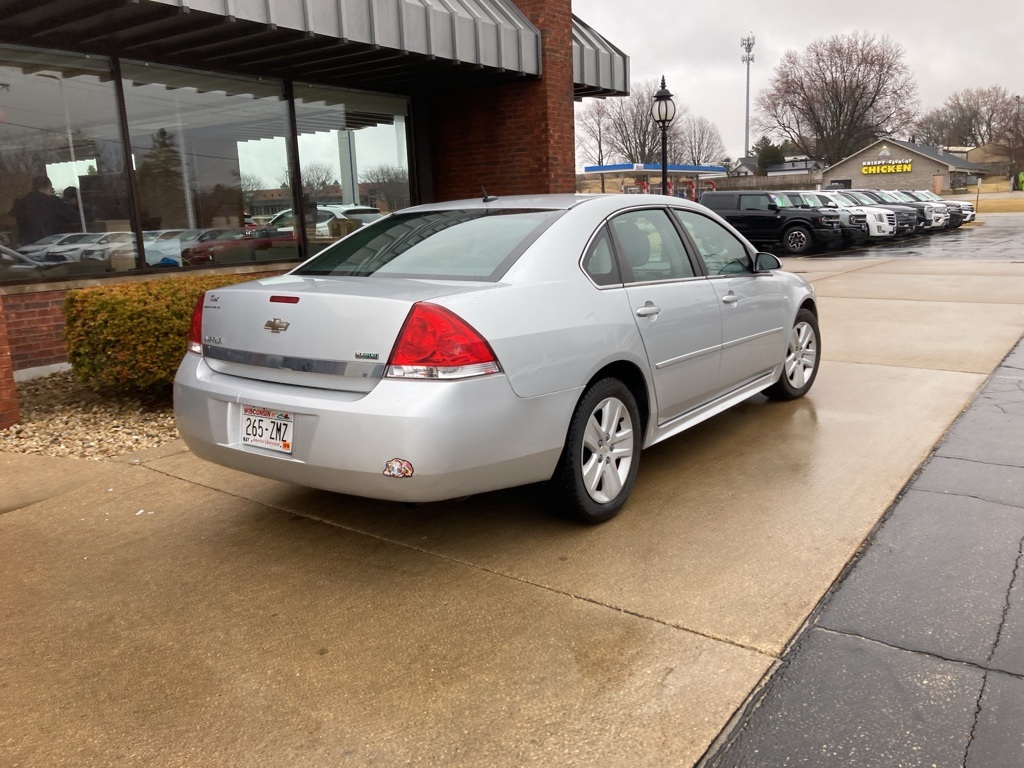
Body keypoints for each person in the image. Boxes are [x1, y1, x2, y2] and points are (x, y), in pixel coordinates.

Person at [10, 175, 81, 245]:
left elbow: (11, 220)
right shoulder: (53, 201)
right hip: (49, 244)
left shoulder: (21, 203)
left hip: (25, 245)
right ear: (48, 186)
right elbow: (78, 218)